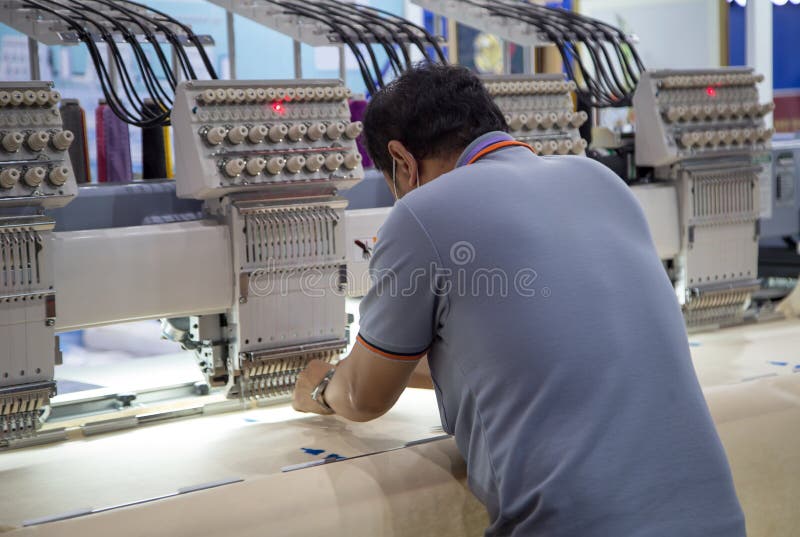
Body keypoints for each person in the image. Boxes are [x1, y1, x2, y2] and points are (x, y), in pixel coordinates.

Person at [292, 63, 745, 537]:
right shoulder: (601, 182)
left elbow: (365, 397)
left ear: (402, 161)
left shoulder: (421, 212)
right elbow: (524, 355)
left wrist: (322, 387)